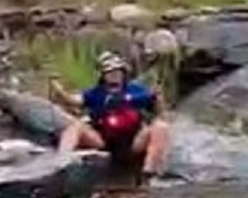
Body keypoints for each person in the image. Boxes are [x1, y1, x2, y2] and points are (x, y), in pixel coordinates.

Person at [51, 51, 171, 185]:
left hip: (133, 141)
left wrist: (159, 98)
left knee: (161, 127)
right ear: (103, 76)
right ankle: (60, 162)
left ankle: (148, 173)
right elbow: (72, 100)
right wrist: (57, 87)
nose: (114, 75)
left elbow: (159, 109)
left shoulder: (136, 91)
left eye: (117, 71)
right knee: (76, 127)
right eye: (109, 72)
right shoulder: (95, 93)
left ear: (123, 73)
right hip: (103, 140)